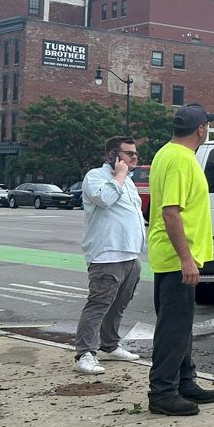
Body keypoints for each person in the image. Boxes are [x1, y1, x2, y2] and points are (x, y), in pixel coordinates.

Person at [147, 104, 214, 415]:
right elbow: (170, 211)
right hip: (177, 257)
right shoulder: (180, 160)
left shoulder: (168, 153)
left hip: (172, 255)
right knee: (174, 328)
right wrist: (187, 259)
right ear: (201, 129)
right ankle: (163, 392)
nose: (208, 129)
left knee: (181, 324)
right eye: (208, 125)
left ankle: (184, 380)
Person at [73, 136, 148, 375]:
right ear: (112, 156)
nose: (134, 158)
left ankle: (110, 345)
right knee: (98, 304)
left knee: (119, 305)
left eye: (135, 154)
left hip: (129, 253)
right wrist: (119, 175)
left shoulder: (128, 182)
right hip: (107, 254)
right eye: (129, 154)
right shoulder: (96, 176)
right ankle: (84, 353)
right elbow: (104, 199)